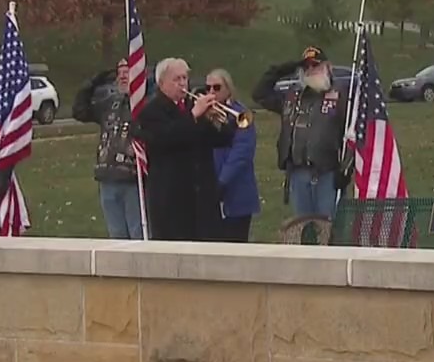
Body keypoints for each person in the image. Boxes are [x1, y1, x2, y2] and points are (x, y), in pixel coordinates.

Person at [133, 57, 235, 241]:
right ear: (162, 82)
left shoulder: (190, 106)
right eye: (177, 79)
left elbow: (222, 140)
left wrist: (218, 120)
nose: (183, 84)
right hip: (172, 199)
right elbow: (168, 138)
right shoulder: (151, 111)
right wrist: (194, 115)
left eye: (185, 78)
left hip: (201, 199)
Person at [252, 45, 350, 219]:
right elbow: (260, 94)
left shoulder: (342, 96)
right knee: (303, 228)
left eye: (316, 65)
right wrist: (285, 68)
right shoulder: (291, 96)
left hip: (328, 174)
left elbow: (355, 135)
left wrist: (346, 172)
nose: (311, 70)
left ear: (328, 66)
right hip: (298, 174)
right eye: (306, 66)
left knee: (328, 229)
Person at [77, 61, 148, 239]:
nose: (123, 76)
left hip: (133, 179)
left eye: (128, 72)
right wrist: (92, 84)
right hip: (107, 177)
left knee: (137, 232)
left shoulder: (145, 106)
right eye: (120, 72)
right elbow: (80, 111)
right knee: (116, 234)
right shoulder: (110, 103)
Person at [205, 68, 260, 242]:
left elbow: (241, 152)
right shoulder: (203, 113)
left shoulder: (240, 114)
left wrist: (222, 181)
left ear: (228, 89)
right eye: (208, 88)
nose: (211, 93)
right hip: (210, 189)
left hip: (237, 189)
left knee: (236, 242)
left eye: (217, 88)